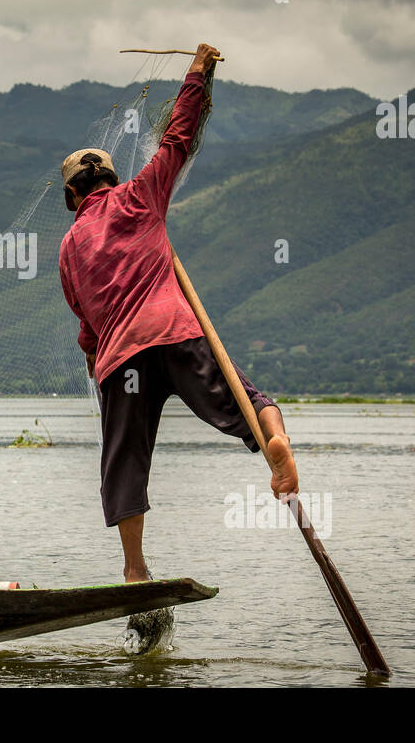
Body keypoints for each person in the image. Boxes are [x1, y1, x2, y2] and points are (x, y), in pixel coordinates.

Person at [57, 43, 299, 584]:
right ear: (111, 181)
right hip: (173, 330)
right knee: (245, 401)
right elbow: (179, 137)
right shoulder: (140, 196)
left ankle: (135, 568)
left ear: (73, 196)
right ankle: (275, 443)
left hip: (122, 360)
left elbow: (86, 328)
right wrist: (197, 73)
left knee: (124, 461)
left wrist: (100, 360)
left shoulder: (70, 245)